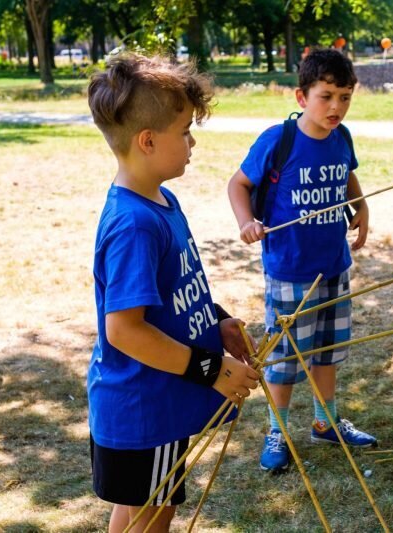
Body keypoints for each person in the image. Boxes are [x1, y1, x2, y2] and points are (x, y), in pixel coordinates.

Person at [87, 53, 259, 532]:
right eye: (184, 130)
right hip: (146, 409)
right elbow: (123, 329)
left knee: (137, 510)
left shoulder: (161, 200)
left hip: (150, 404)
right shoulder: (135, 225)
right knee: (153, 515)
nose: (192, 141)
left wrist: (216, 320)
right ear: (147, 140)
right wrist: (211, 369)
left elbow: (176, 288)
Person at [227, 48, 376, 474]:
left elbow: (347, 172)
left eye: (345, 97)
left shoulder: (342, 138)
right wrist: (246, 222)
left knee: (327, 350)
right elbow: (238, 184)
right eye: (326, 96)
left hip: (333, 265)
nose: (336, 107)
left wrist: (361, 206)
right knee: (285, 358)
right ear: (301, 97)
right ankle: (277, 431)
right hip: (290, 271)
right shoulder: (279, 140)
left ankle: (325, 422)